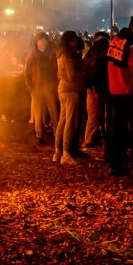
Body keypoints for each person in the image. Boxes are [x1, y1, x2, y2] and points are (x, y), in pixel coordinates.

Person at [104, 17, 133, 176]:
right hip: (130, 91)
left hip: (114, 90)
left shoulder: (114, 41)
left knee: (115, 128)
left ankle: (114, 163)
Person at [53, 30, 88, 165]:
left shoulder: (59, 52)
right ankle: (67, 153)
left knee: (63, 120)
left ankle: (58, 151)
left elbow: (59, 73)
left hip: (62, 88)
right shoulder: (68, 53)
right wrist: (82, 72)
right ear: (70, 40)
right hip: (71, 89)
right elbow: (71, 74)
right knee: (70, 122)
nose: (76, 41)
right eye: (74, 39)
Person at [24, 33, 58, 144]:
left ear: (47, 41)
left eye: (44, 40)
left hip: (49, 87)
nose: (42, 42)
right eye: (40, 40)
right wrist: (31, 88)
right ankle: (39, 134)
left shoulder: (51, 54)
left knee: (54, 111)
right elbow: (27, 73)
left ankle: (57, 132)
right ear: (37, 42)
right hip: (37, 87)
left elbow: (55, 70)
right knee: (38, 112)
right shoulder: (32, 55)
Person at [82, 32, 110, 157]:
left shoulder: (90, 56)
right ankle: (88, 141)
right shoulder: (100, 60)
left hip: (94, 90)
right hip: (95, 91)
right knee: (94, 117)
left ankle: (93, 140)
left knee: (95, 116)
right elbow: (96, 76)